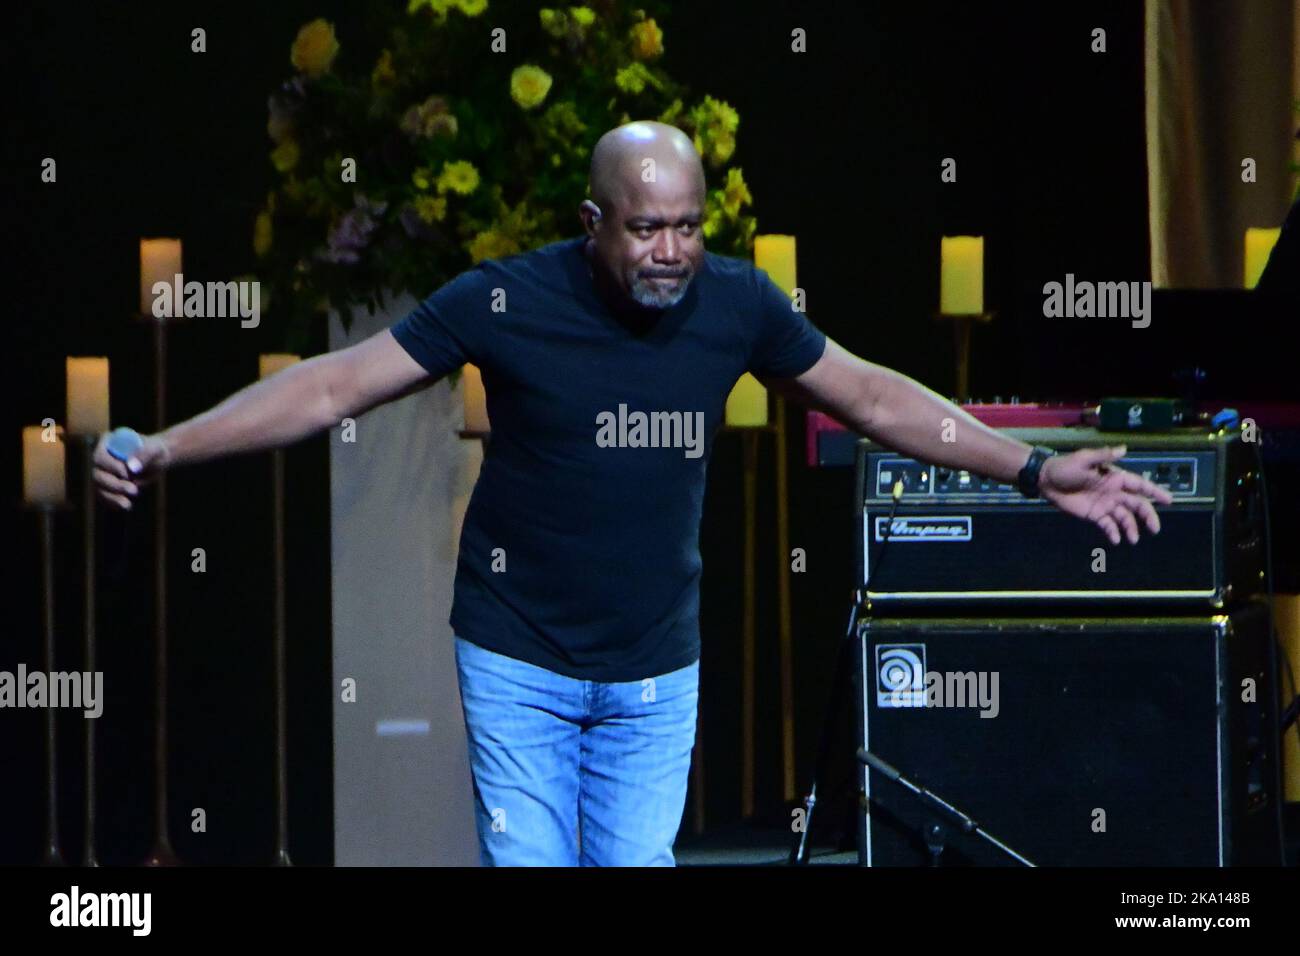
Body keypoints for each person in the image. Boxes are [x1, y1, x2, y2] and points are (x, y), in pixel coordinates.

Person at [93, 120, 1173, 866]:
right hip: (517, 649)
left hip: (656, 664)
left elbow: (873, 398)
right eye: (647, 227)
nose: (671, 251)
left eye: (688, 225)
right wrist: (168, 447)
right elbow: (333, 385)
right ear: (593, 220)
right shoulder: (506, 297)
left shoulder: (737, 302)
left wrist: (1034, 467)